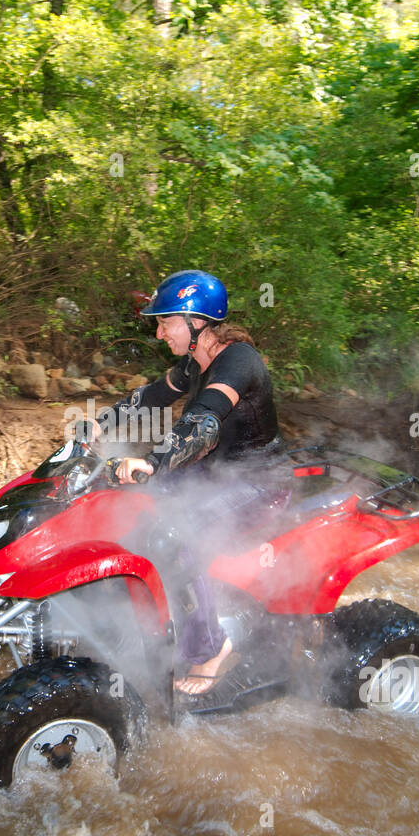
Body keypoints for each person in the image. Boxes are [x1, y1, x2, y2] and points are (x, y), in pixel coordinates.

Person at [98, 270, 280, 695]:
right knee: (128, 507)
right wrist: (100, 422)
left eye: (166, 322)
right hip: (211, 472)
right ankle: (141, 613)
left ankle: (209, 649)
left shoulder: (238, 361)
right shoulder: (193, 362)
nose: (159, 332)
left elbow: (202, 423)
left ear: (197, 322)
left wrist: (153, 463)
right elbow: (152, 397)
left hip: (258, 482)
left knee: (174, 535)